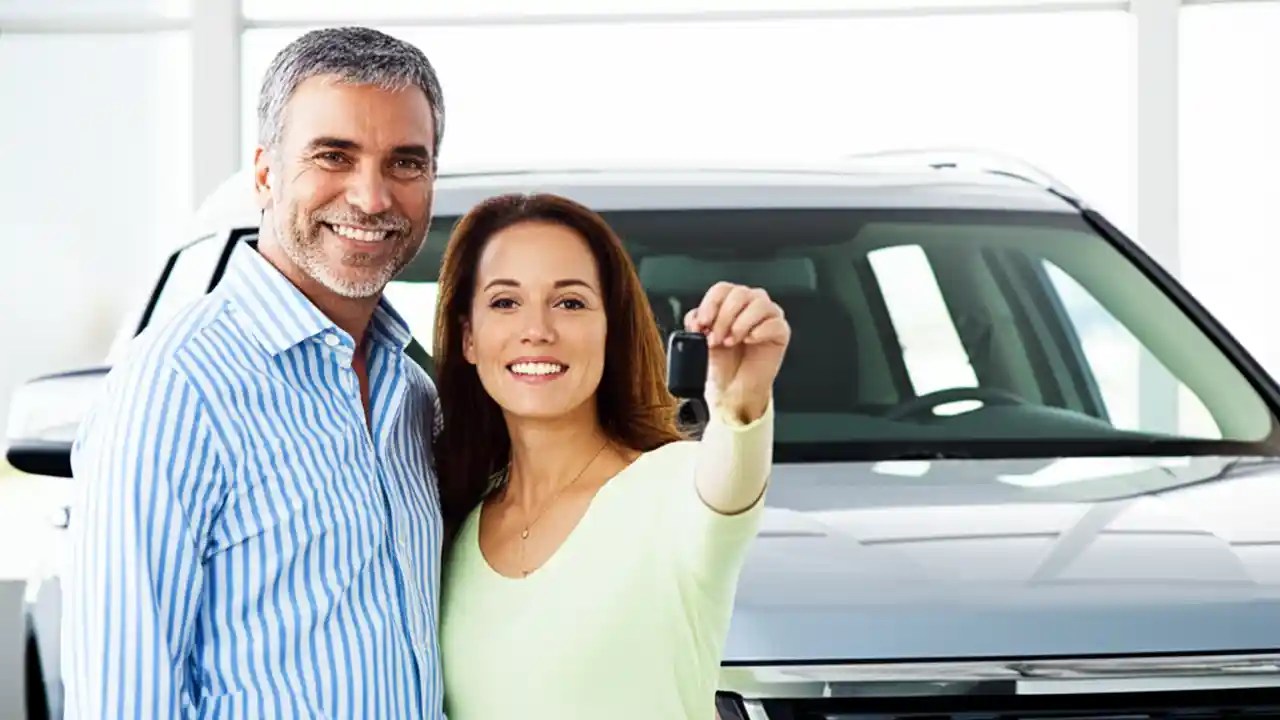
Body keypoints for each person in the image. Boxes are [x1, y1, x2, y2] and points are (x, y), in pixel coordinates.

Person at [63, 27, 449, 719]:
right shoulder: (178, 387)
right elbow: (123, 699)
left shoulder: (415, 396)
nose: (372, 197)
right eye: (333, 156)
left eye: (405, 163)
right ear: (266, 174)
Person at [434, 193, 789, 718]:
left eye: (570, 303)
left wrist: (740, 401)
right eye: (506, 302)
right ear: (469, 337)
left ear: (610, 329)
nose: (537, 330)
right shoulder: (448, 520)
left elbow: (728, 484)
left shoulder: (671, 487)